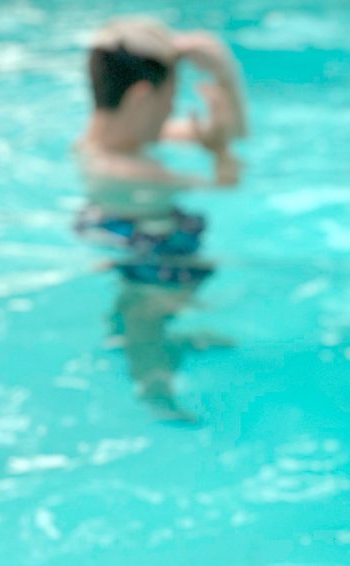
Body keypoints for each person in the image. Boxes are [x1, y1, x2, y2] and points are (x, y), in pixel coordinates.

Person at [75, 17, 248, 421]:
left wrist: (224, 72)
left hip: (124, 231)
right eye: (170, 97)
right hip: (146, 252)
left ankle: (167, 347)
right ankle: (156, 391)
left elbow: (218, 134)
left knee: (141, 314)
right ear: (140, 98)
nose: (173, 109)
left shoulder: (108, 141)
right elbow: (228, 181)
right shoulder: (135, 173)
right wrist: (220, 151)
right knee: (146, 319)